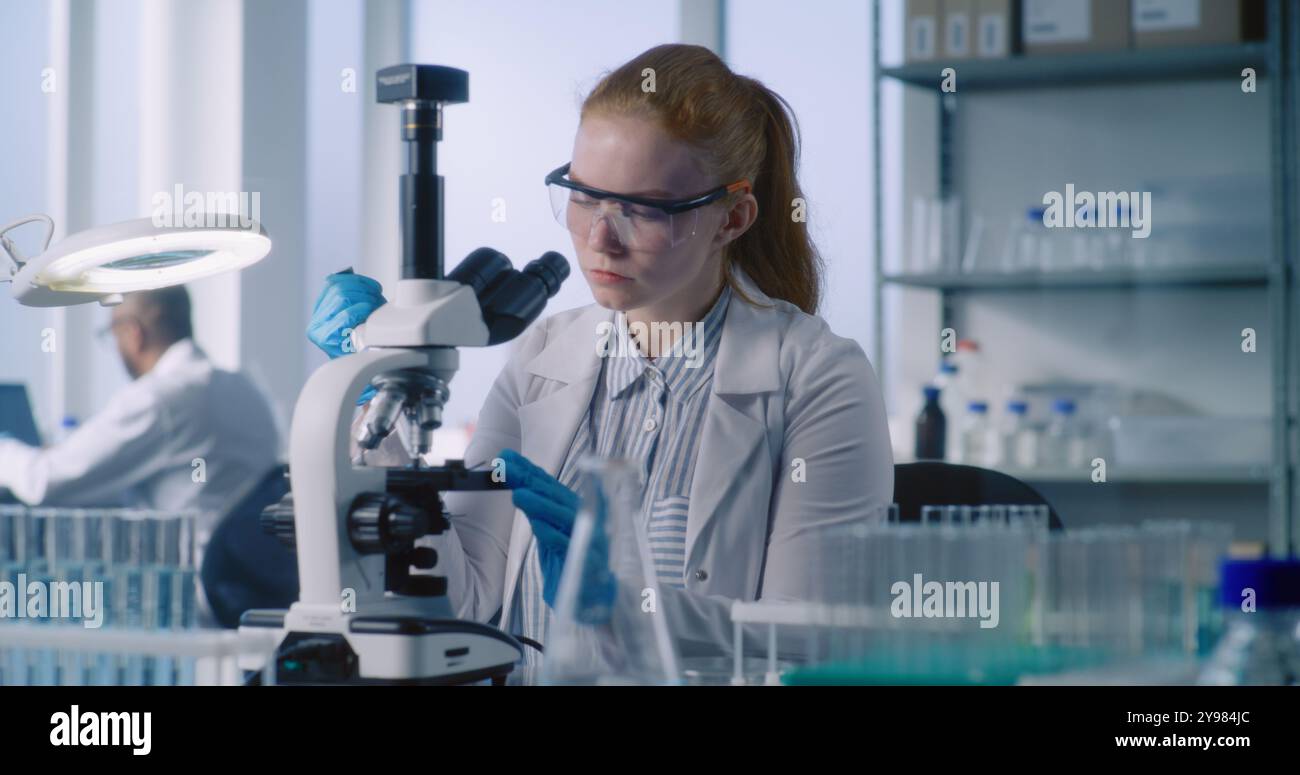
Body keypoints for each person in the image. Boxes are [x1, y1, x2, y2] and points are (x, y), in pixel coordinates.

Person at [308, 44, 893, 671]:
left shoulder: (818, 377)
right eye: (584, 195)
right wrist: (371, 402)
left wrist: (619, 606)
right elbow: (465, 593)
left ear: (732, 218)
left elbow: (819, 632)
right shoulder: (540, 355)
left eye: (643, 208)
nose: (599, 239)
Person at [0, 286, 282, 522]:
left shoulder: (160, 397)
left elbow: (43, 481)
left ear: (133, 333)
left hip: (185, 576)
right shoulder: (245, 388)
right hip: (251, 577)